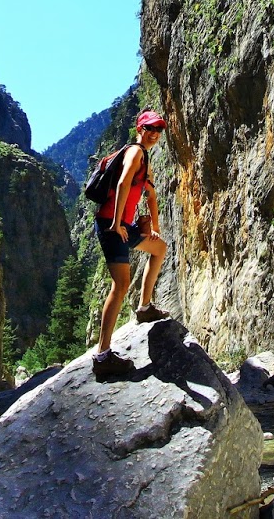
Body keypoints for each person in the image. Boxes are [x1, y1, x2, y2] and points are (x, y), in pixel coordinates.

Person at [91, 110, 170, 379]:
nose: (155, 134)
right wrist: (116, 223)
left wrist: (155, 227)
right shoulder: (135, 152)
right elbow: (124, 182)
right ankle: (102, 356)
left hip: (124, 226)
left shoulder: (142, 157)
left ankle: (145, 308)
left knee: (159, 248)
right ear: (139, 128)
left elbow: (150, 193)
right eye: (150, 128)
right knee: (121, 285)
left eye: (158, 130)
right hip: (112, 225)